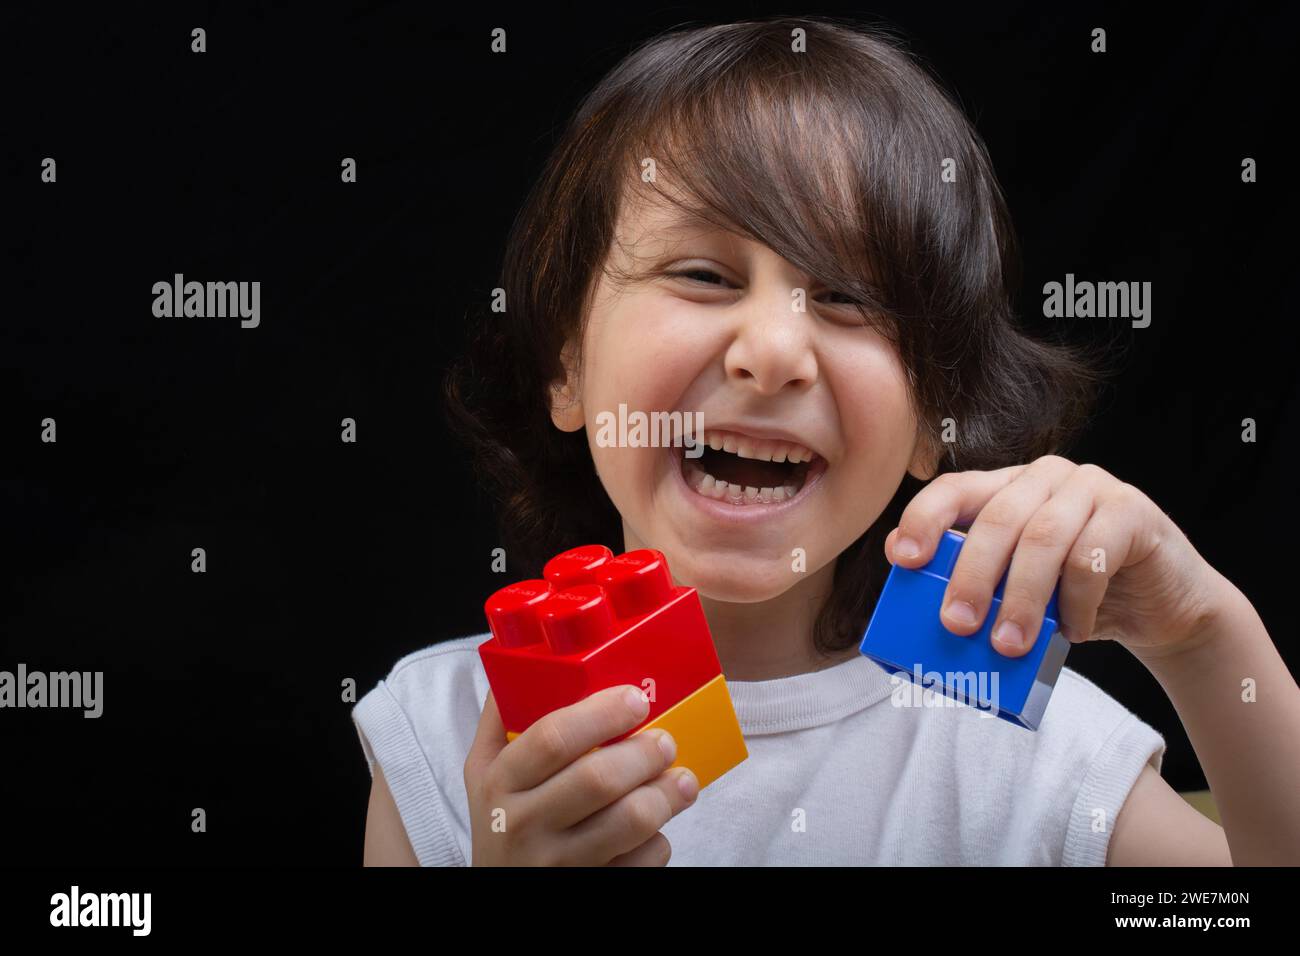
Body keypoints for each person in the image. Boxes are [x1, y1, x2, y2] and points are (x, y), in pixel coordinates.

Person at [352, 16, 1299, 866]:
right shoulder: (444, 738)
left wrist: (1203, 636)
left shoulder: (1026, 743)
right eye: (702, 274)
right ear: (568, 368)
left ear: (936, 416)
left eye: (850, 298)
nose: (773, 352)